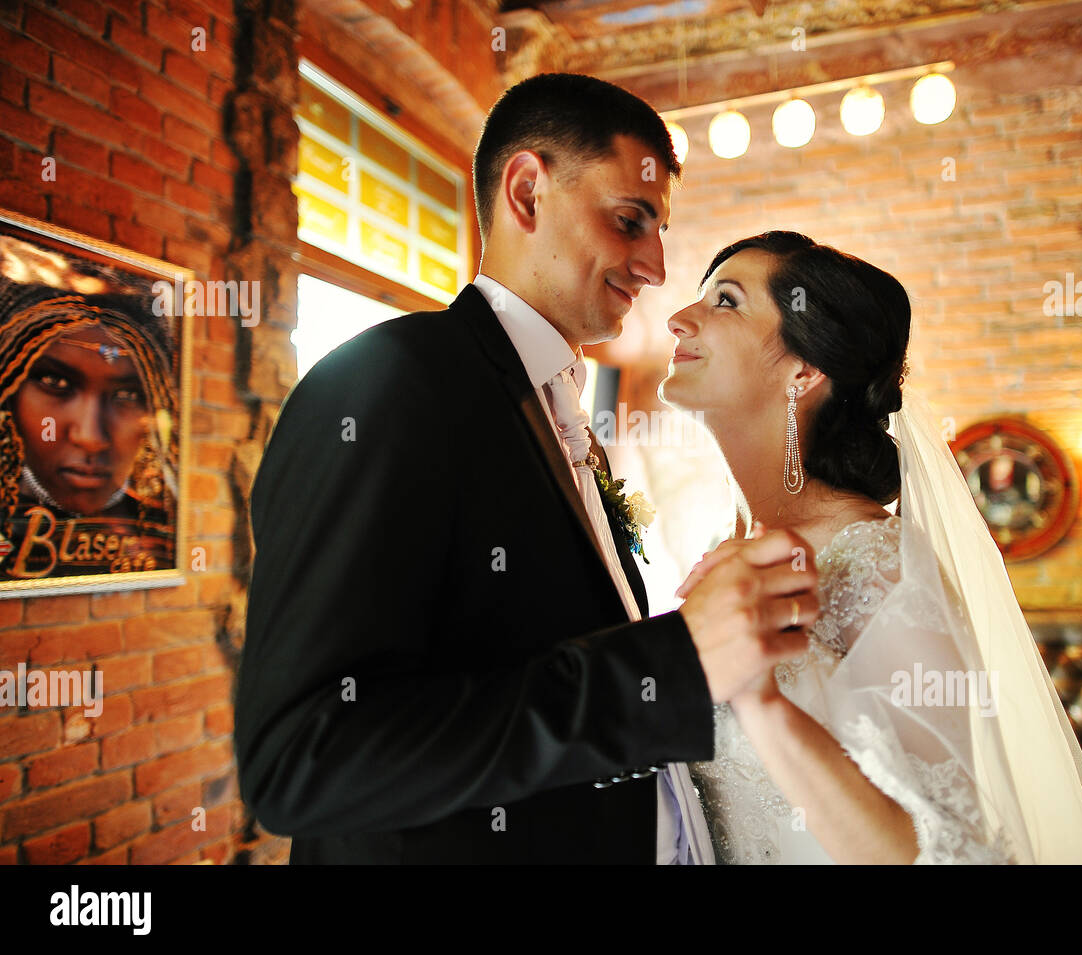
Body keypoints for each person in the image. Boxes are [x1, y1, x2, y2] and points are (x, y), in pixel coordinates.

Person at [234, 74, 819, 864]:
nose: (653, 265)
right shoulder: (386, 383)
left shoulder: (564, 414)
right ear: (526, 192)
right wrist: (670, 663)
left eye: (658, 231)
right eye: (630, 220)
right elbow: (303, 758)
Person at [662, 231, 1082, 864]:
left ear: (803, 367)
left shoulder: (878, 567)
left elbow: (953, 854)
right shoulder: (723, 550)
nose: (677, 320)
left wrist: (760, 700)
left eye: (725, 301)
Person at [0, 281, 177, 578]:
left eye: (127, 396)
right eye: (55, 382)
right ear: (9, 394)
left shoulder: (160, 537)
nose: (91, 437)